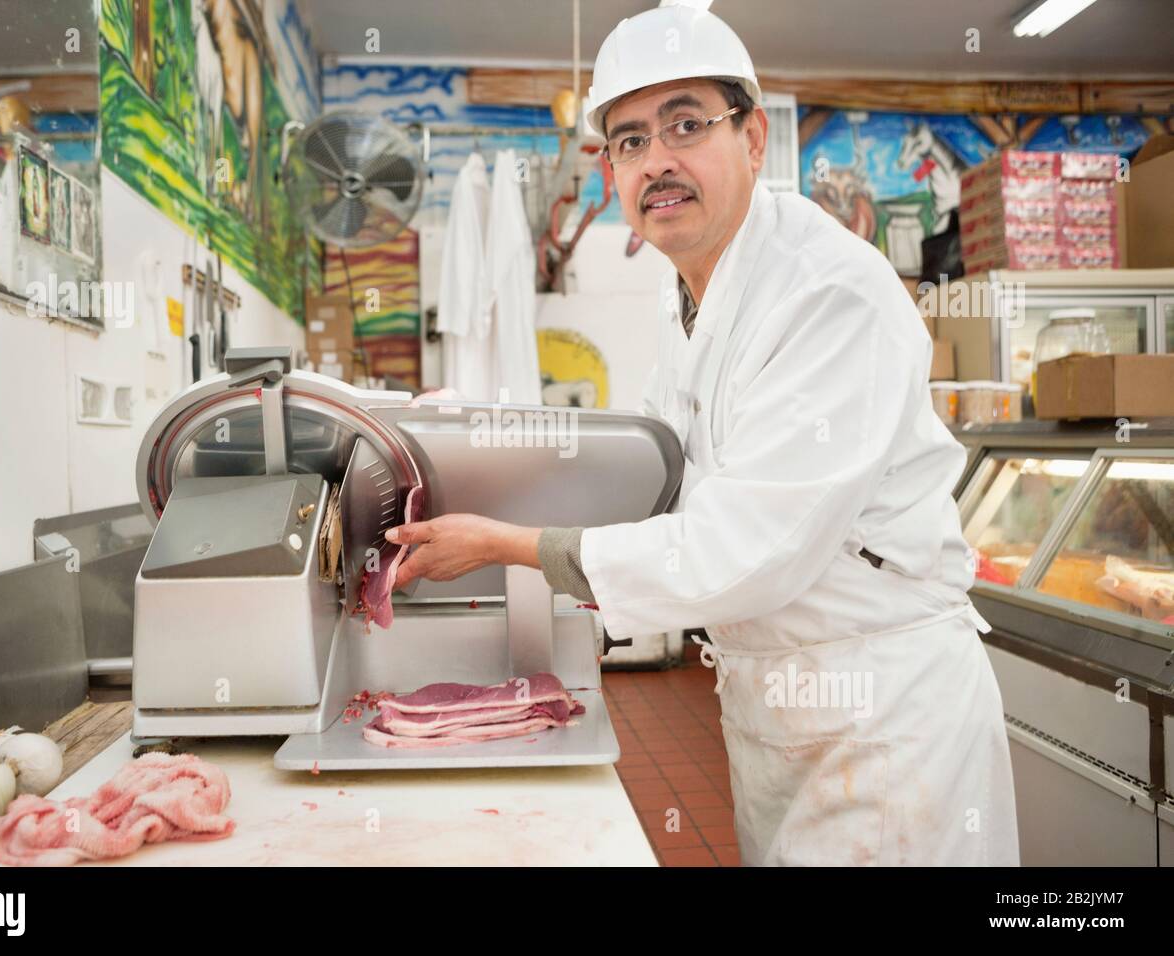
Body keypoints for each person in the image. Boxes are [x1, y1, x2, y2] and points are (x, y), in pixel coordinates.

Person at [384, 2, 1019, 866]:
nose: (658, 161)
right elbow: (653, 470)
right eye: (631, 141)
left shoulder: (826, 290)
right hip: (774, 711)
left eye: (687, 124)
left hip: (885, 722)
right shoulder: (687, 288)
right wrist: (479, 445)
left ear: (754, 138)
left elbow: (751, 546)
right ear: (609, 169)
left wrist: (510, 543)